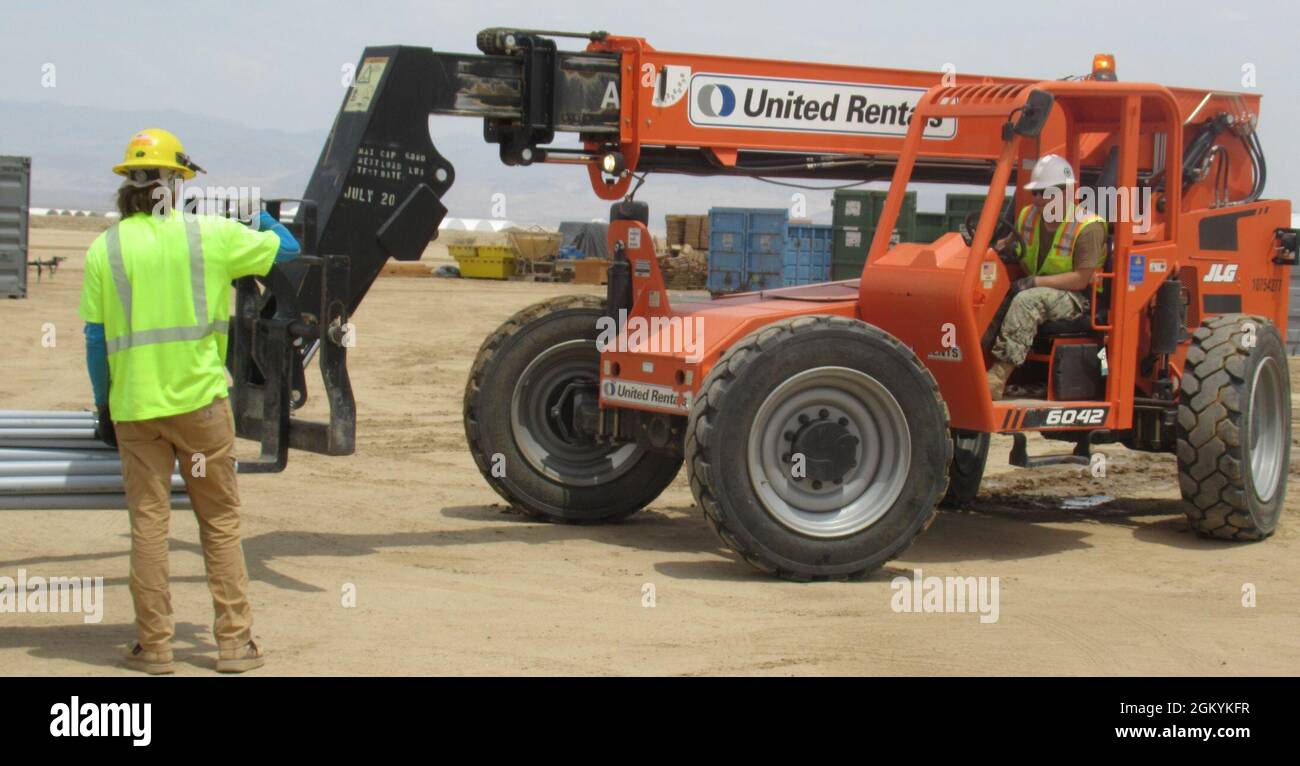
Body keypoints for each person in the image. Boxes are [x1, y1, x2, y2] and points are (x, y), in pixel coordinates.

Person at [79, 128, 300, 674]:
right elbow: (291, 252)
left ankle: (155, 647)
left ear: (128, 185)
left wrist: (104, 405)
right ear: (176, 182)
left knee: (149, 525)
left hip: (136, 410)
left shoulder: (103, 249)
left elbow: (93, 339)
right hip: (201, 406)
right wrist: (258, 217)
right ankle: (233, 645)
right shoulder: (211, 236)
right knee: (219, 522)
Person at [987, 154, 1107, 400]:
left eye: (1045, 192)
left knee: (1028, 299)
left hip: (1077, 299)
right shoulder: (1027, 216)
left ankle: (997, 377)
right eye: (1036, 193)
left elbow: (1080, 280)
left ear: (1065, 192)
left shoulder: (1088, 226)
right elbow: (1008, 244)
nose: (1039, 199)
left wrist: (1035, 282)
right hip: (1036, 288)